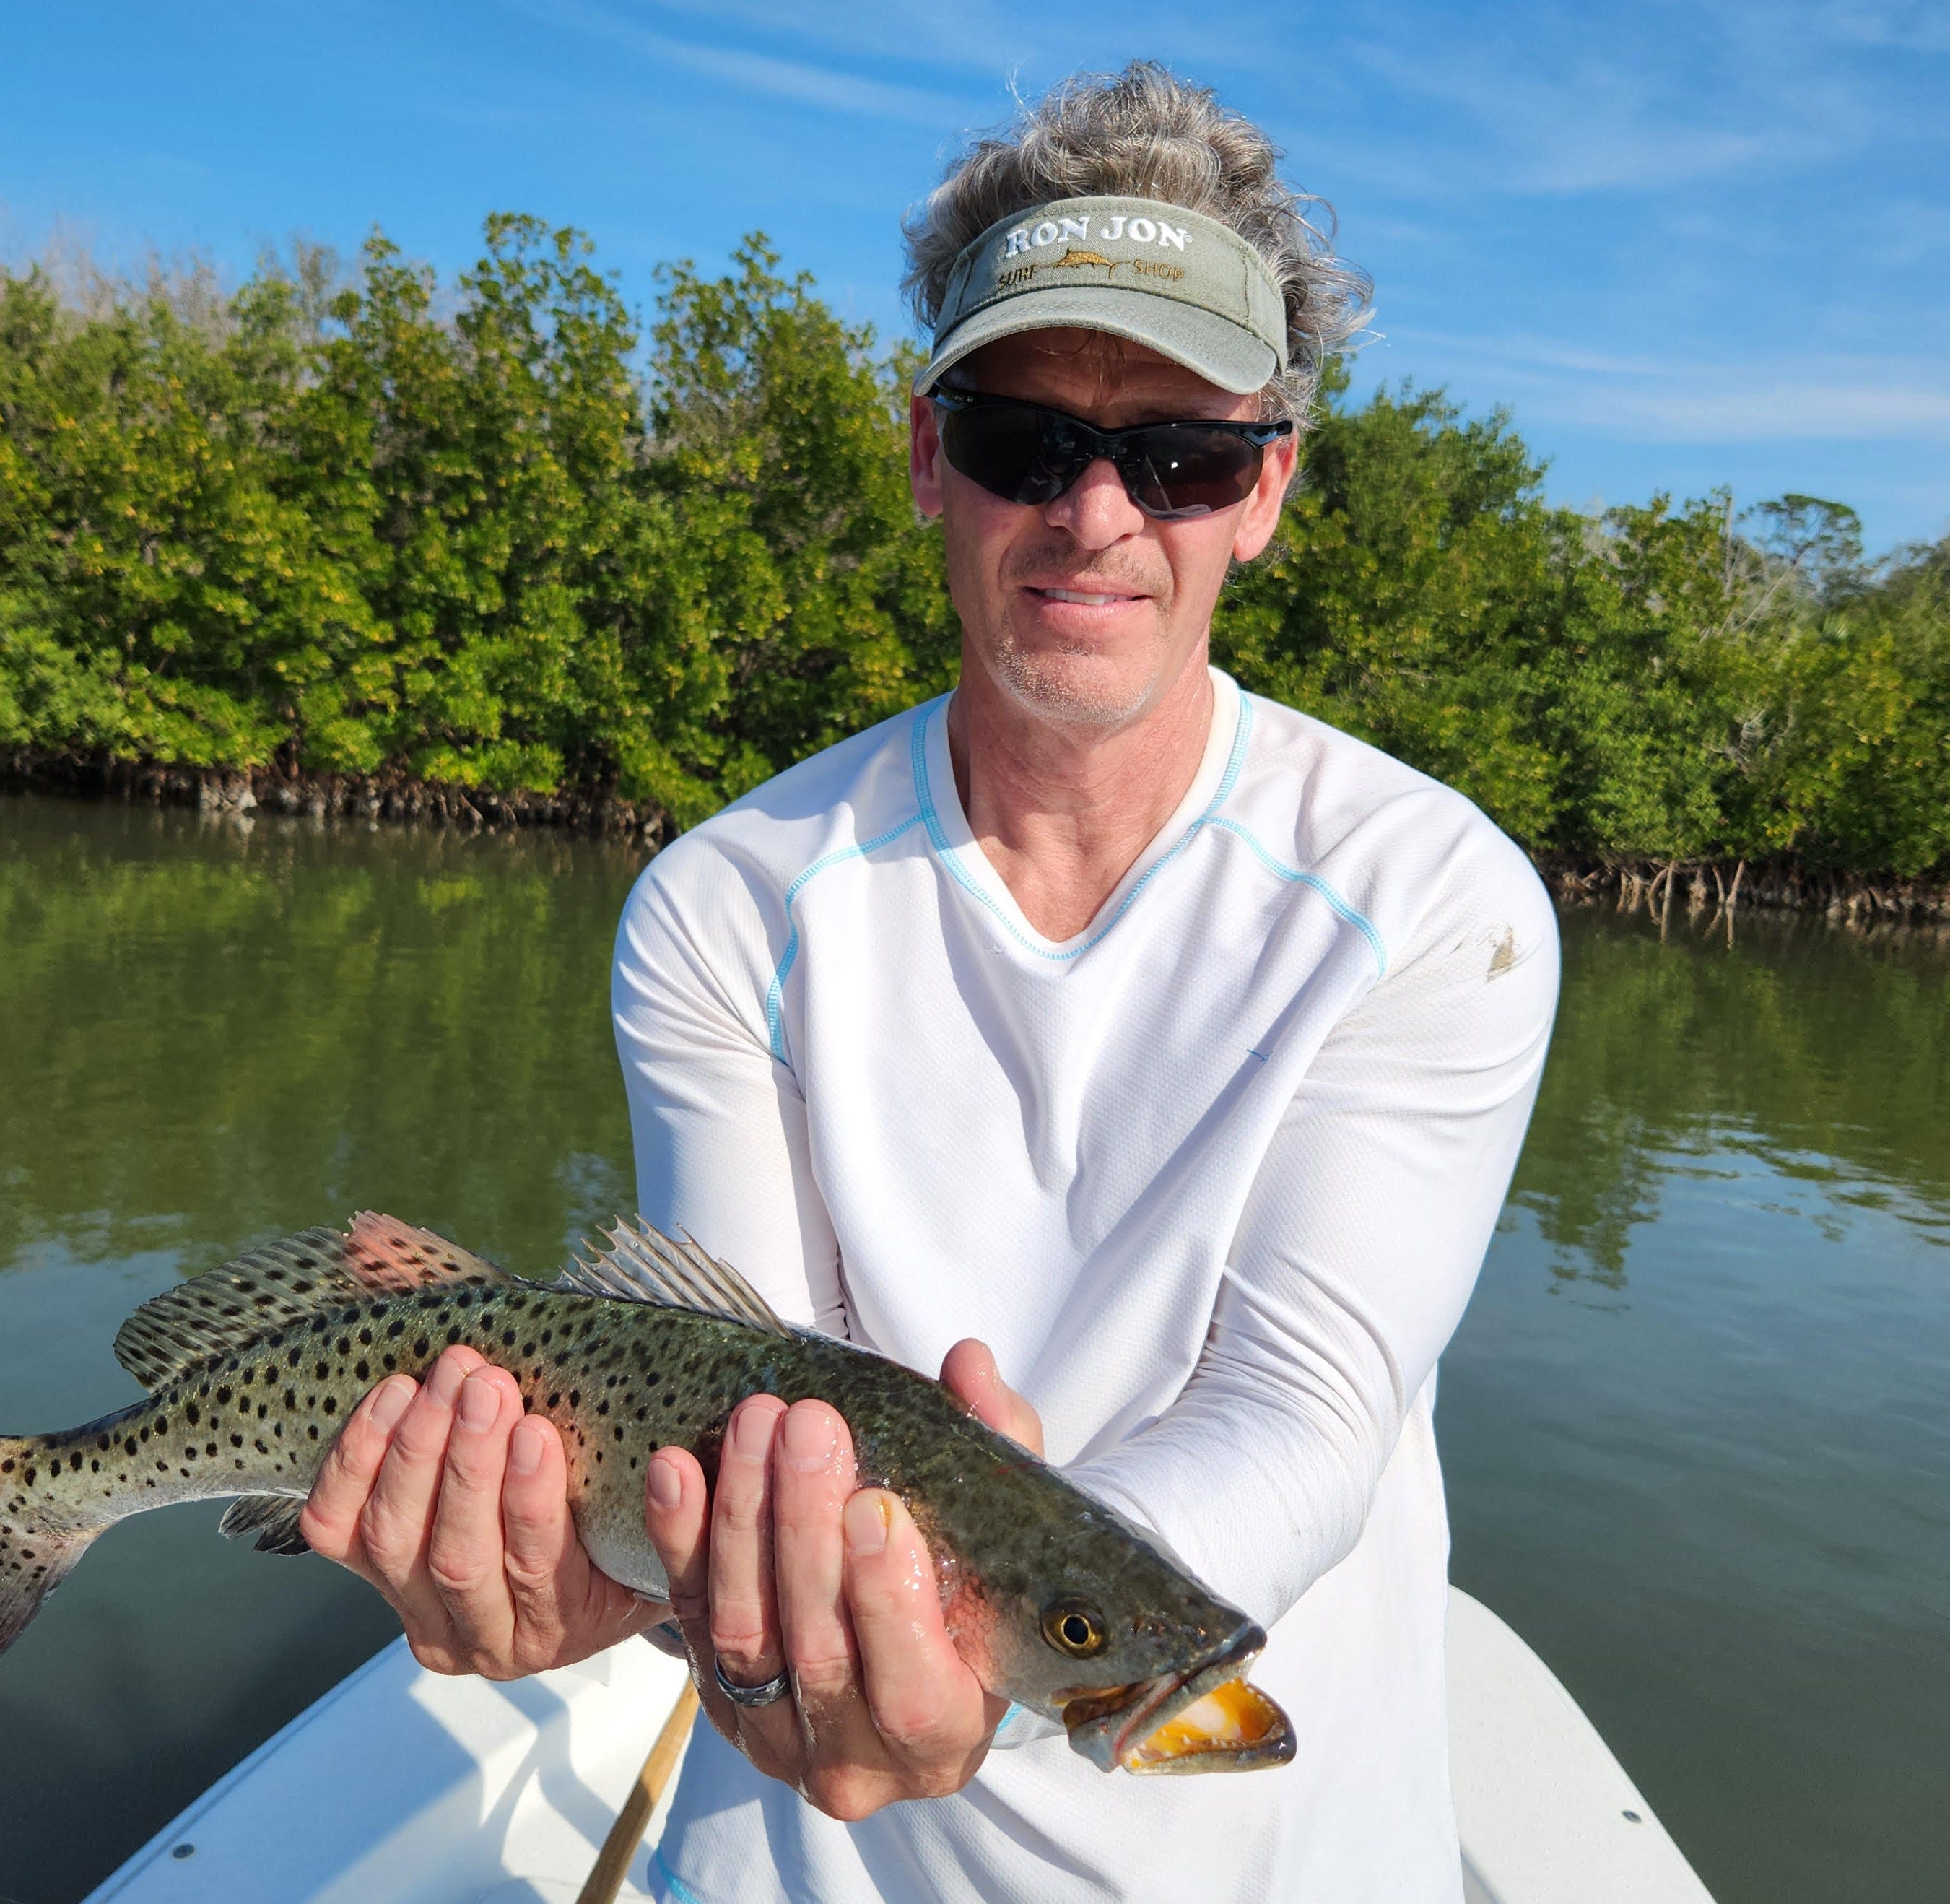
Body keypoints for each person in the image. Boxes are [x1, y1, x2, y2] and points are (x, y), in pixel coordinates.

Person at [300, 62, 1559, 1904]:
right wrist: (611, 1579)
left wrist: (993, 1601)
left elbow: (1307, 1411)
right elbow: (706, 1379)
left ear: (1267, 489)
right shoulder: (723, 900)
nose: (1098, 510)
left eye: (1183, 450)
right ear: (923, 458)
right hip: (798, 1846)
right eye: (1022, 438)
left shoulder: (1432, 894)